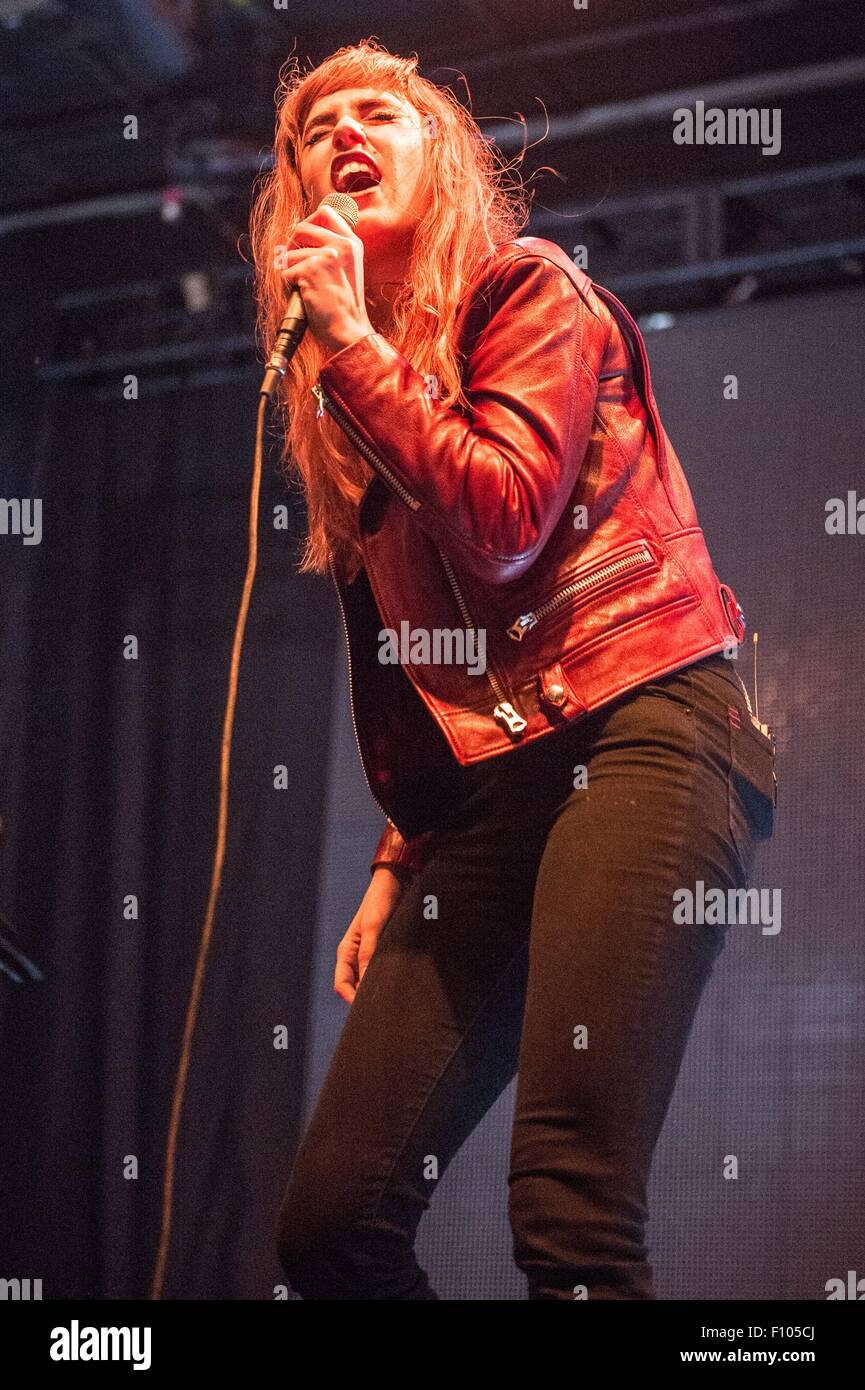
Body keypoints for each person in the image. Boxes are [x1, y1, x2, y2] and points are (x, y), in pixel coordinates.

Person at [250, 39, 777, 1300]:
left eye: (380, 112)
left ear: (443, 158)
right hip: (492, 804)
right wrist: (400, 860)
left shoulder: (528, 292)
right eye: (316, 129)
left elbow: (501, 520)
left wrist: (349, 346)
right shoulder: (353, 409)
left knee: (568, 1208)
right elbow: (427, 673)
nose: (344, 132)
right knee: (330, 1225)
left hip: (643, 728)